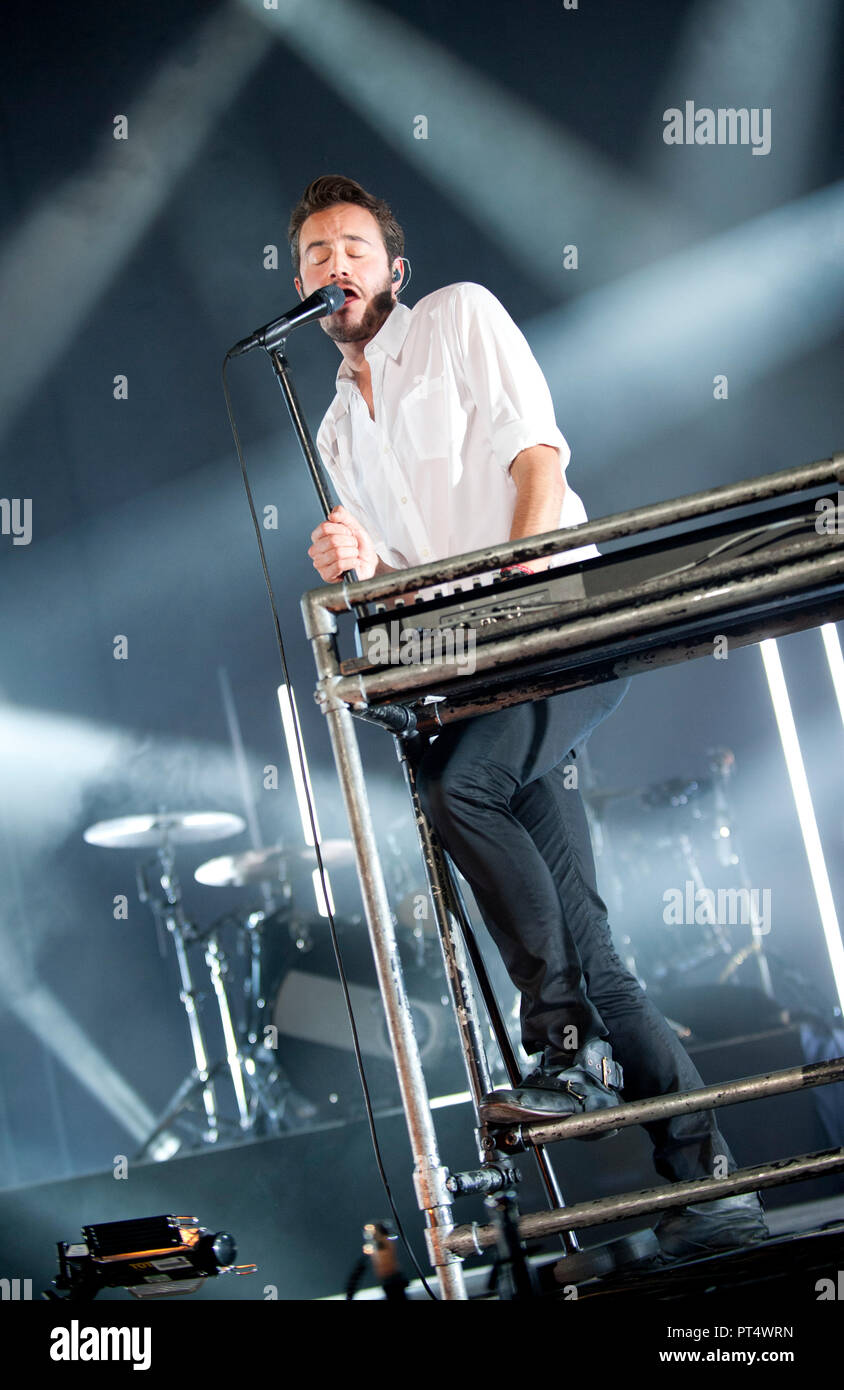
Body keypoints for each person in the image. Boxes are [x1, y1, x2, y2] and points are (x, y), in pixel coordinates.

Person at [293, 174, 767, 1264]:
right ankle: (705, 1178)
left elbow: (536, 458)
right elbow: (408, 572)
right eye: (316, 254)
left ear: (391, 268)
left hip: (554, 613)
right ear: (300, 283)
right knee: (595, 950)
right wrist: (364, 562)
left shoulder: (457, 317)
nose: (336, 266)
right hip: (469, 657)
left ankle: (553, 1046)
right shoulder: (330, 427)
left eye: (353, 247)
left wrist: (511, 586)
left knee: (462, 788)